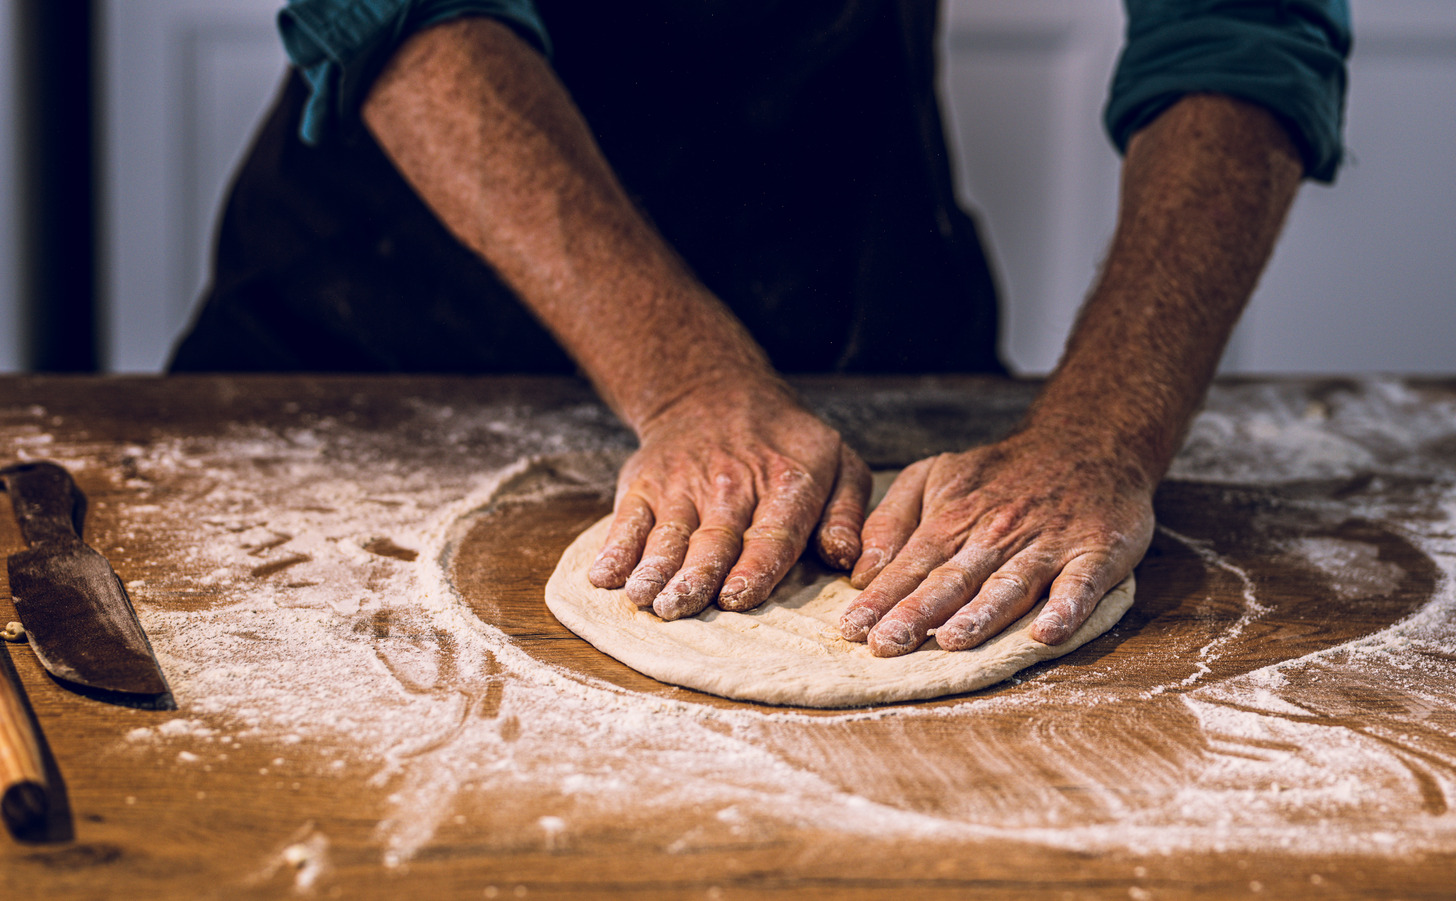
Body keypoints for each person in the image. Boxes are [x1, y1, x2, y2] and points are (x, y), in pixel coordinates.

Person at [171, 1, 1350, 657]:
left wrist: (1104, 434)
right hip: (390, 299)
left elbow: (1242, 27)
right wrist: (682, 379)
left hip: (848, 261)